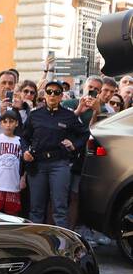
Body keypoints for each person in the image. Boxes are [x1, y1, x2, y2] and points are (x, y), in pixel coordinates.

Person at [20, 80, 88, 227]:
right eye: (49, 92)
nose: (52, 95)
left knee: (60, 208)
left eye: (56, 92)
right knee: (36, 209)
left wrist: (74, 145)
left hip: (60, 165)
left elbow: (84, 134)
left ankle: (62, 247)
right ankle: (36, 244)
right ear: (44, 94)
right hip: (38, 164)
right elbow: (23, 137)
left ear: (61, 96)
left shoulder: (68, 116)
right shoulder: (35, 115)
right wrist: (25, 151)